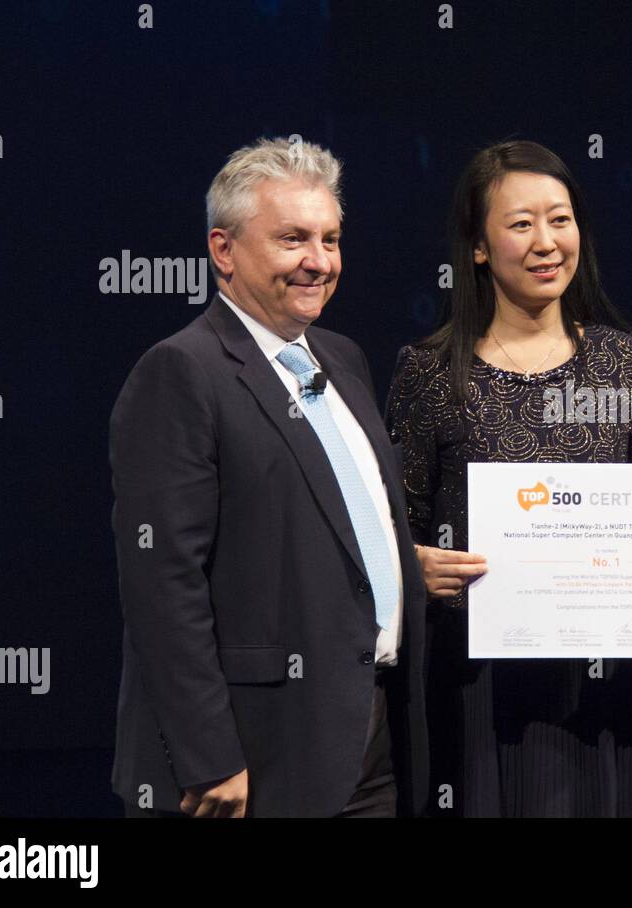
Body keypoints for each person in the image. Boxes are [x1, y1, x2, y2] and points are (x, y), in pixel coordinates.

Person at [385, 139, 632, 817]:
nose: (546, 242)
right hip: (483, 695)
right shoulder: (429, 371)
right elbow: (398, 529)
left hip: (617, 692)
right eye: (521, 223)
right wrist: (414, 567)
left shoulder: (627, 360)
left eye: (560, 220)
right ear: (478, 246)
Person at [109, 137, 428, 817]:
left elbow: (333, 529)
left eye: (331, 239)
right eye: (293, 239)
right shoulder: (182, 372)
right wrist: (210, 757)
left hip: (365, 742)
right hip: (252, 760)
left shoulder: (343, 359)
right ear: (223, 251)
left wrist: (403, 567)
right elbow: (164, 584)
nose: (319, 261)